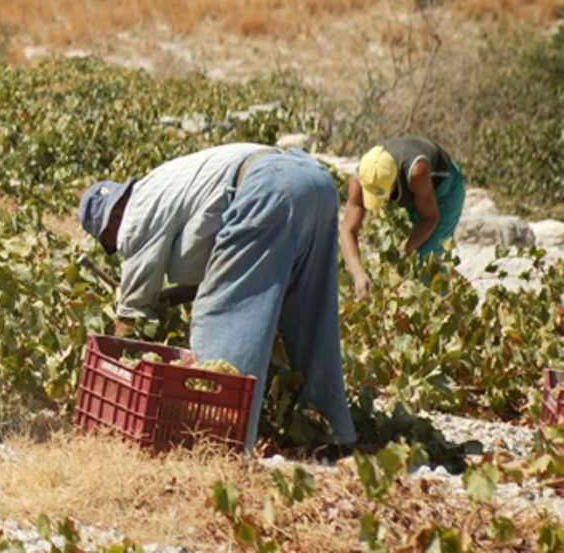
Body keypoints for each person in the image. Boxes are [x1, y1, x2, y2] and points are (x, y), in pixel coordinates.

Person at [78, 144, 355, 452]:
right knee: (309, 315)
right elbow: (219, 271)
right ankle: (329, 435)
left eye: (111, 241)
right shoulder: (162, 188)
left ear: (115, 216)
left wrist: (114, 371)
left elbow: (131, 314)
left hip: (268, 188)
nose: (119, 248)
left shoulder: (134, 216)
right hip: (314, 181)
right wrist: (167, 298)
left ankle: (219, 440)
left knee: (216, 316)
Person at [339, 136, 465, 298]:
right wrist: (358, 272)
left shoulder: (417, 172)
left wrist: (403, 250)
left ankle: (449, 301)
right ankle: (456, 286)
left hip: (445, 189)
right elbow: (347, 230)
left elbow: (430, 218)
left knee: (425, 261)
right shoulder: (360, 178)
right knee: (404, 267)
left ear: (394, 180)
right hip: (417, 194)